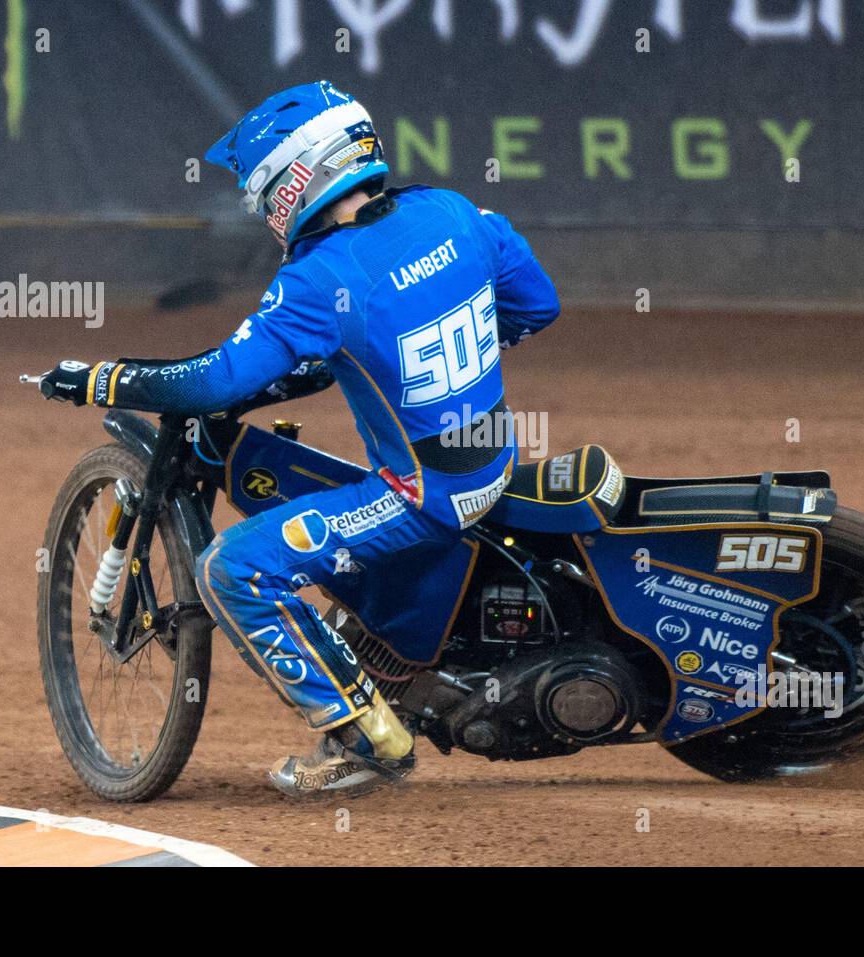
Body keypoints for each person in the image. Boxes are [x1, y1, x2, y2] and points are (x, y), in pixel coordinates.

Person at [38, 80, 560, 799]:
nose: (260, 210)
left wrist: (103, 378)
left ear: (294, 184)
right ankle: (382, 655)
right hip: (492, 465)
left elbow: (213, 383)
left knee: (231, 568)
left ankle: (368, 735)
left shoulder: (320, 278)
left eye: (260, 194)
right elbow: (538, 305)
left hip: (420, 500)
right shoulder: (452, 212)